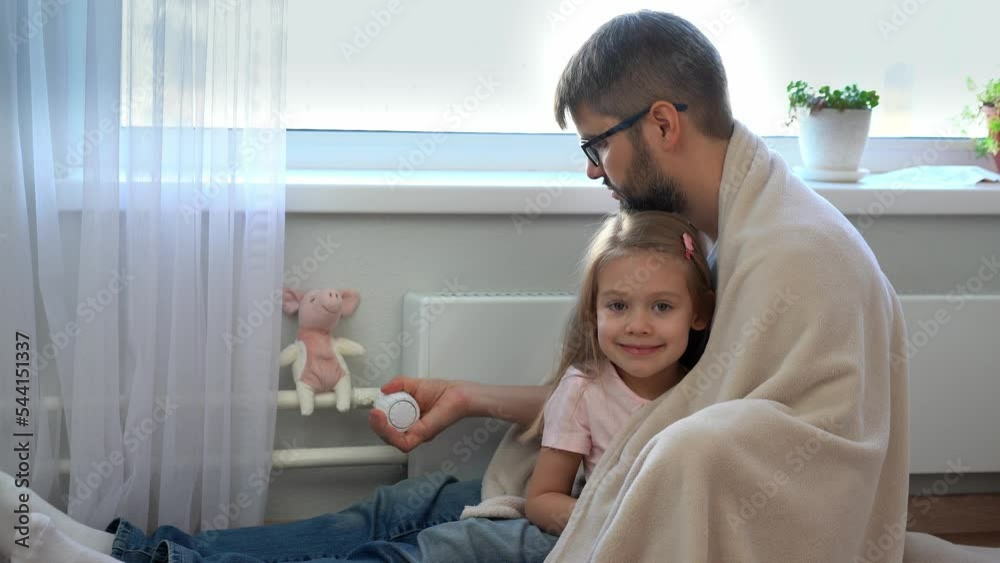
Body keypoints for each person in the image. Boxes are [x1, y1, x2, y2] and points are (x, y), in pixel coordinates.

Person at [3, 8, 996, 563]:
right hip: (569, 489)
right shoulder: (734, 228)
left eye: (596, 145)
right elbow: (657, 401)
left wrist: (563, 504)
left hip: (580, 513)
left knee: (404, 548)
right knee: (394, 509)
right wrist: (476, 395)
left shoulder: (789, 251)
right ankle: (121, 547)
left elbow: (742, 453)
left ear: (659, 123)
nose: (593, 171)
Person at [521, 212, 714, 535]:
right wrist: (613, 522)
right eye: (618, 306)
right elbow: (542, 500)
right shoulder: (583, 391)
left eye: (662, 307)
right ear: (593, 311)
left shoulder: (709, 390)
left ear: (699, 313)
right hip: (599, 534)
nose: (638, 327)